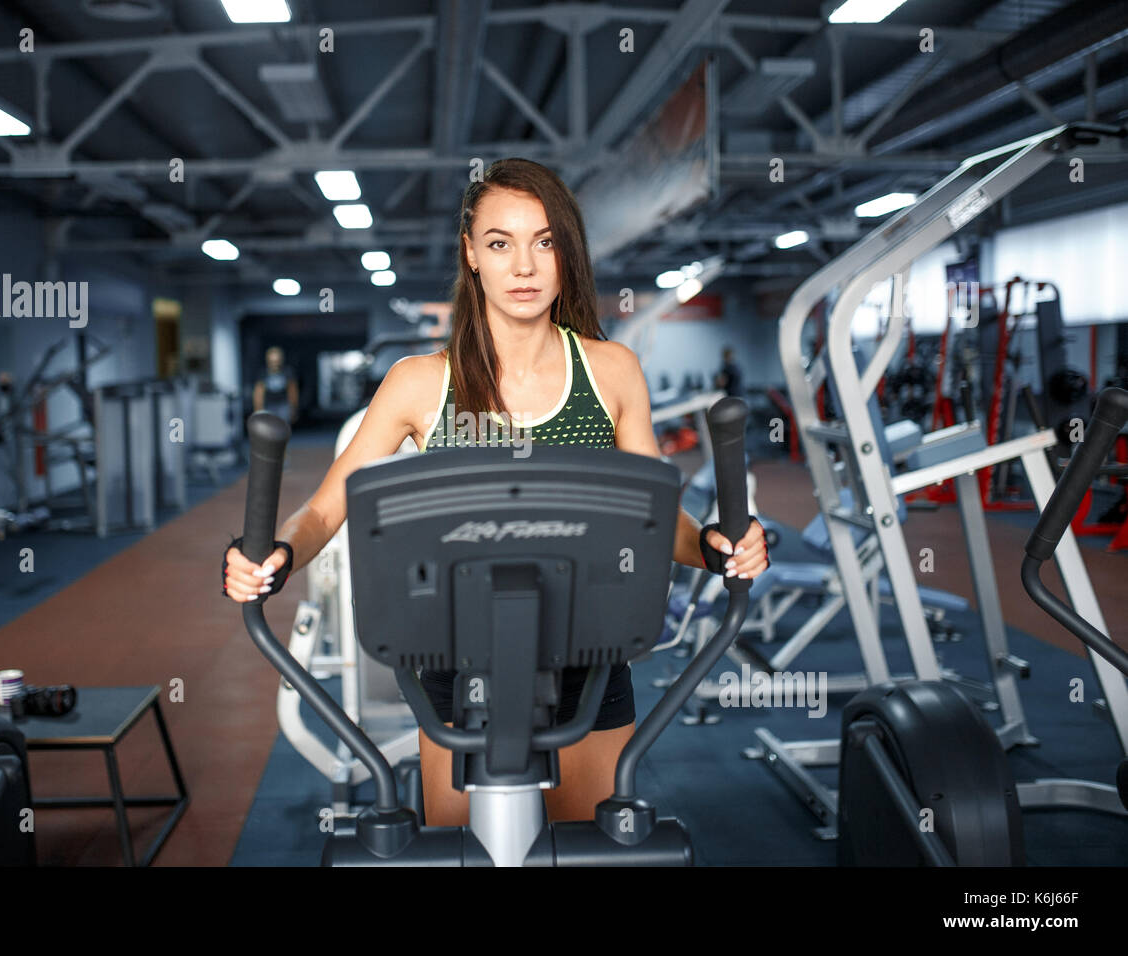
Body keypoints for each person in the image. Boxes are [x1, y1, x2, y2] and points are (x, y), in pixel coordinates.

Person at [223, 158, 769, 826]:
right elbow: (327, 508)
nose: (525, 266)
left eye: (544, 242)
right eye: (501, 243)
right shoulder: (420, 383)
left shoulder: (610, 371)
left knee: (588, 848)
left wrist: (717, 546)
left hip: (588, 659)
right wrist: (275, 554)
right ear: (471, 254)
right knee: (466, 856)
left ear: (565, 254)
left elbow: (656, 520)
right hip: (459, 665)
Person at [252, 347, 298, 424]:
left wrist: (294, 408)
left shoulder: (287, 372)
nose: (275, 364)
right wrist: (258, 409)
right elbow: (258, 393)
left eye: (277, 361)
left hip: (283, 405)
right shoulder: (263, 373)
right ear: (268, 361)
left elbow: (292, 391)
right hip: (269, 405)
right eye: (272, 361)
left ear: (281, 360)